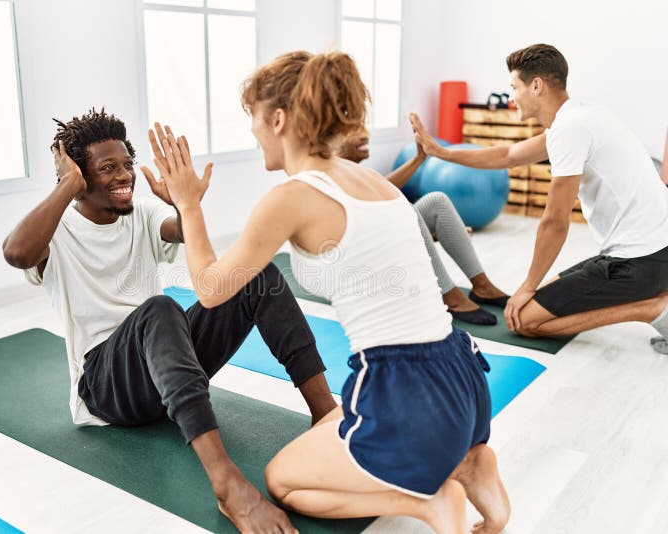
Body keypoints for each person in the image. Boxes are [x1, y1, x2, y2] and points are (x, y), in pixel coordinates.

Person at [144, 51, 509, 534]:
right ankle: (472, 464)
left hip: (405, 395)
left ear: (277, 119)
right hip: (464, 378)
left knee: (283, 481)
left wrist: (188, 205)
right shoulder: (374, 182)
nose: (252, 131)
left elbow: (211, 291)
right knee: (327, 432)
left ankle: (430, 502)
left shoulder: (293, 196)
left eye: (252, 117)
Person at [1, 108, 336, 533]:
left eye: (126, 164)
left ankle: (326, 416)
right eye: (107, 168)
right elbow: (18, 253)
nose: (124, 175)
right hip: (108, 387)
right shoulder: (56, 229)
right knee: (160, 308)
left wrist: (185, 201)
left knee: (255, 274)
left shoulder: (139, 215)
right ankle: (227, 486)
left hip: (164, 363)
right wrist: (66, 185)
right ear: (79, 178)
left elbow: (185, 235)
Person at [411, 44, 668, 354]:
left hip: (639, 261)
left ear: (536, 86)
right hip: (650, 252)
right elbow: (508, 155)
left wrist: (527, 286)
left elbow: (555, 221)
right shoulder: (581, 116)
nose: (510, 97)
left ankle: (652, 308)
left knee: (526, 321)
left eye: (514, 87)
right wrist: (442, 152)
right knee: (529, 306)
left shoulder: (570, 128)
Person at [338, 128, 509, 325]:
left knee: (437, 201)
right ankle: (448, 294)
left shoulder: (357, 172)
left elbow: (379, 189)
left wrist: (419, 159)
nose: (366, 135)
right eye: (355, 130)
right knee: (406, 210)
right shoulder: (329, 173)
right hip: (354, 267)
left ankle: (482, 286)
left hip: (374, 243)